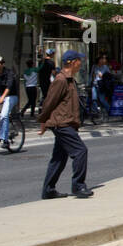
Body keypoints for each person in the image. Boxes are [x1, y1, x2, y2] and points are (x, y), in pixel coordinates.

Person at [38, 49, 91, 199]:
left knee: (59, 158)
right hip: (61, 124)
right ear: (73, 62)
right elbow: (49, 102)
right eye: (79, 61)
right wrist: (43, 121)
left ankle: (48, 190)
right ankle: (78, 186)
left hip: (66, 123)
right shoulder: (61, 80)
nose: (81, 64)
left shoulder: (69, 79)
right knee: (80, 151)